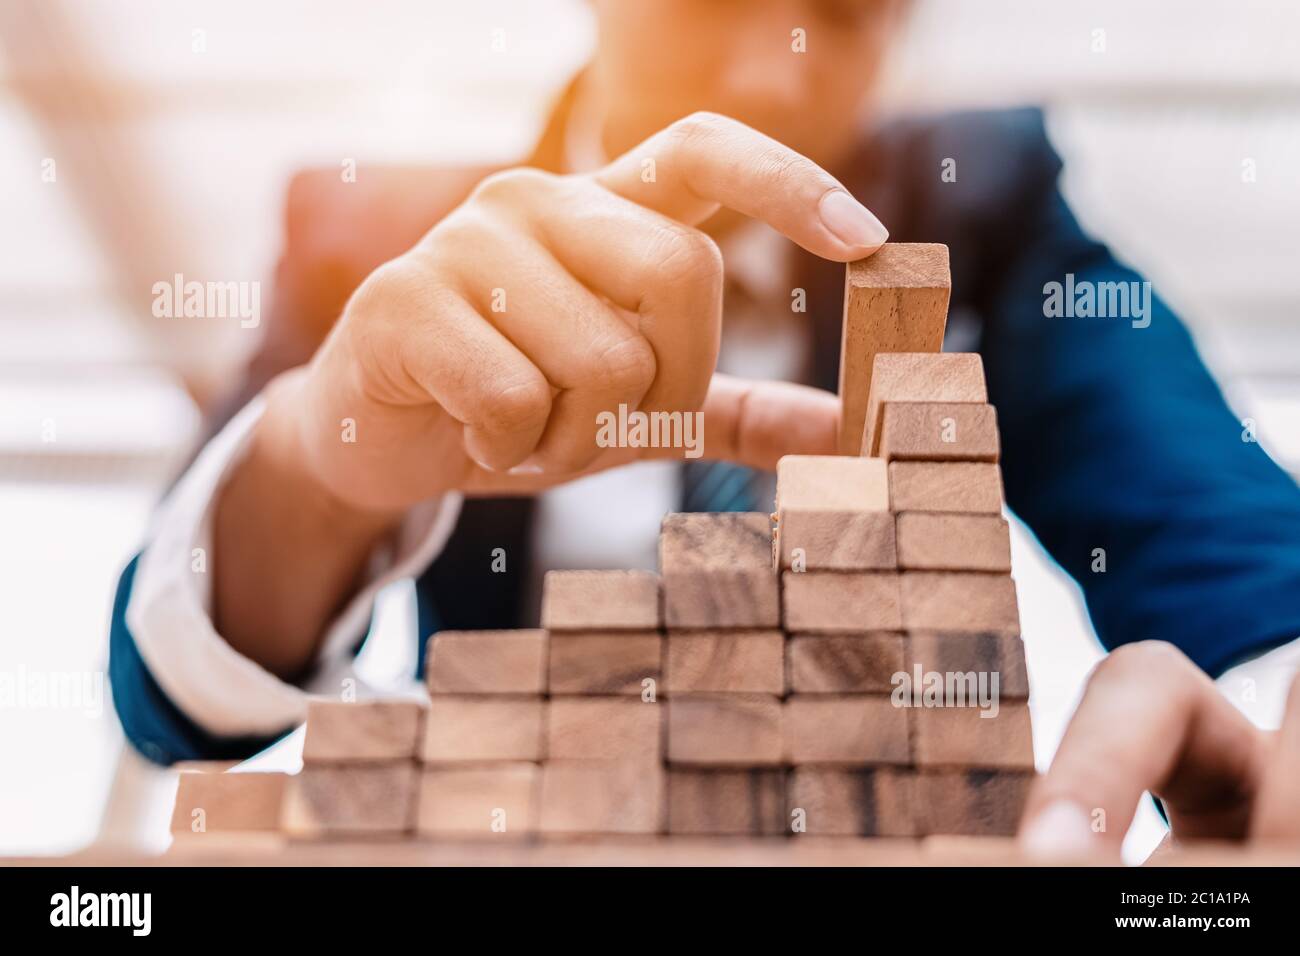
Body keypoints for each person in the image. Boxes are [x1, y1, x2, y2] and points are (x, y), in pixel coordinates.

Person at [108, 0, 1300, 855]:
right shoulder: (372, 227)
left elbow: (1202, 505)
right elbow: (168, 694)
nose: (773, 74)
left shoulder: (981, 193)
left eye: (840, 14)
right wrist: (317, 469)